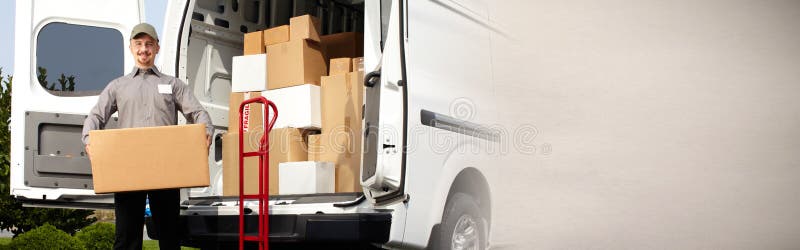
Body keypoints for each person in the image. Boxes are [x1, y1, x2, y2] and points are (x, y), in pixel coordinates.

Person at [82, 23, 213, 250]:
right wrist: (89, 139)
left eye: (149, 44)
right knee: (126, 237)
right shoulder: (117, 86)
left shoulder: (173, 85)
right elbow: (95, 115)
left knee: (169, 236)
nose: (144, 49)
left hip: (165, 170)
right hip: (128, 171)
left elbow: (198, 112)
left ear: (157, 48)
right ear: (131, 48)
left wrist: (206, 131)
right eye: (139, 44)